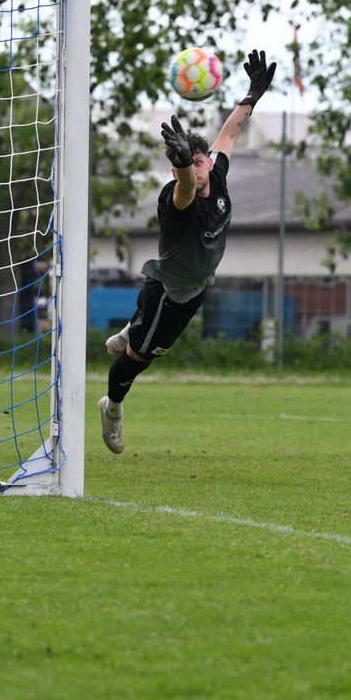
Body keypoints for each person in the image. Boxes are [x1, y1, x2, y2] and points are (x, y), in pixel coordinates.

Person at [97, 49, 276, 454]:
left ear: (208, 163)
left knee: (152, 344)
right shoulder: (178, 198)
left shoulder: (217, 170)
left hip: (195, 288)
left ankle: (133, 327)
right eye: (189, 164)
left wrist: (253, 94)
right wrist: (180, 167)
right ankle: (112, 409)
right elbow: (184, 189)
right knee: (138, 359)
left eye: (199, 161)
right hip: (168, 291)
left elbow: (229, 133)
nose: (198, 169)